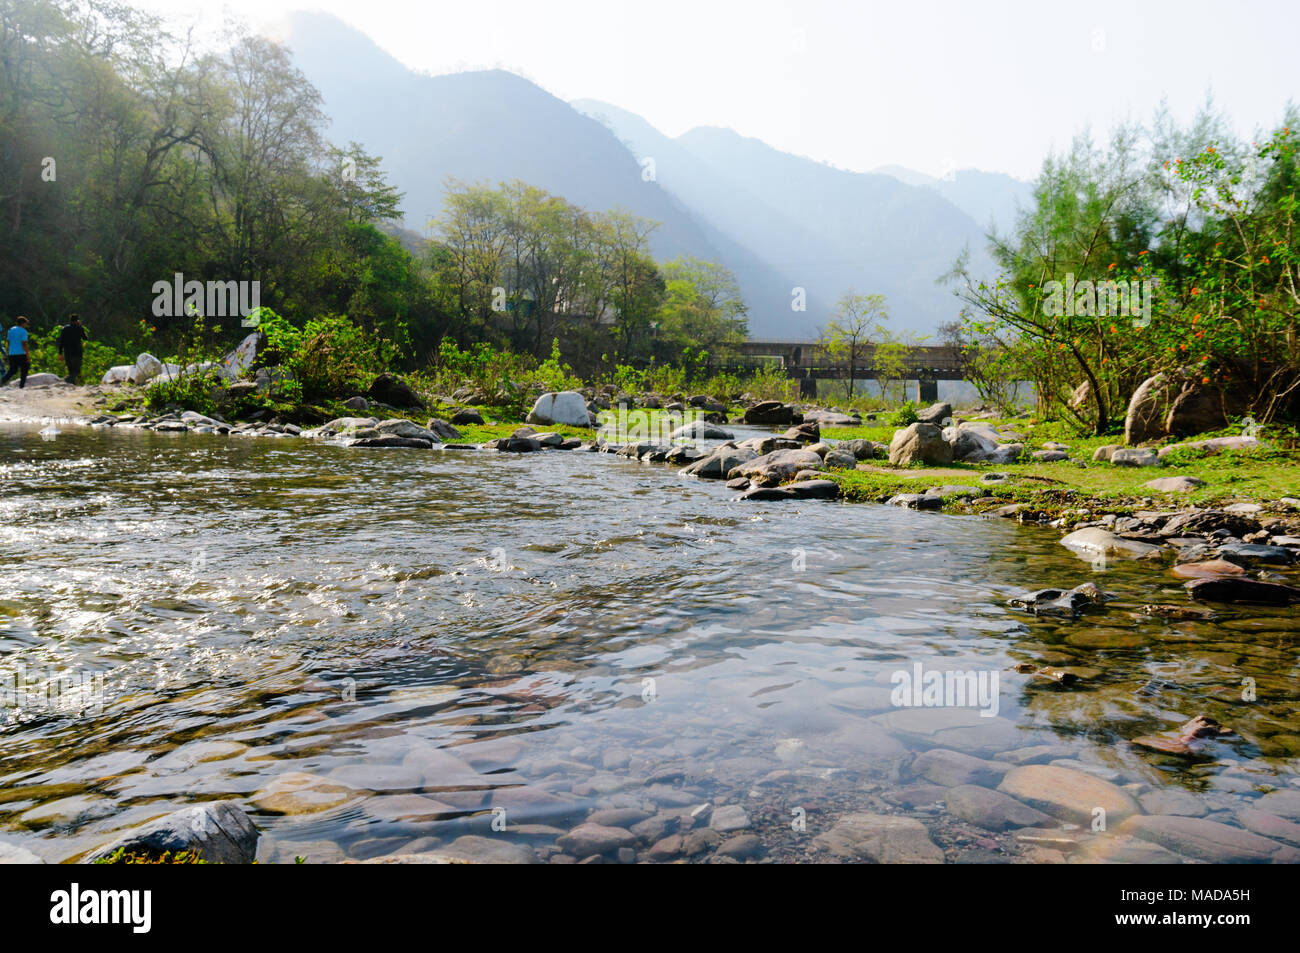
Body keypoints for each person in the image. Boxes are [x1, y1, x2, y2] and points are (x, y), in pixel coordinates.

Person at [57, 313, 89, 385]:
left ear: (70, 320)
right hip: (78, 352)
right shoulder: (80, 328)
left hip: (68, 352)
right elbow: (85, 338)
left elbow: (61, 342)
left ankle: (71, 383)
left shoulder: (65, 329)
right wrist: (80, 326)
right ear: (77, 321)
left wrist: (60, 353)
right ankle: (67, 381)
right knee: (77, 370)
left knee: (71, 370)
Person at [0, 316, 31, 388]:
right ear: (23, 323)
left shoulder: (11, 330)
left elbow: (8, 341)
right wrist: (28, 355)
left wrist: (8, 351)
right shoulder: (23, 331)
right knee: (24, 369)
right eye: (26, 324)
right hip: (21, 353)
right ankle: (21, 386)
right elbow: (24, 343)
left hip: (12, 353)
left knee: (12, 370)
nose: (26, 325)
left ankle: (2, 381)